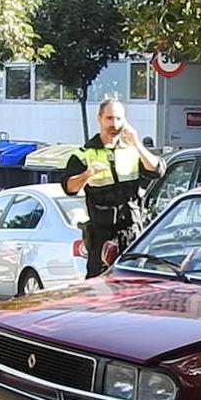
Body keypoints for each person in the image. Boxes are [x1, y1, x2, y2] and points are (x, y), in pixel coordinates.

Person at [62, 100, 165, 277]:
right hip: (101, 236)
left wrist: (137, 143)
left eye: (118, 118)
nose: (114, 124)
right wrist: (87, 174)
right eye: (109, 118)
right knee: (99, 290)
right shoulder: (84, 154)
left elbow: (157, 170)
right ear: (99, 119)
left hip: (132, 234)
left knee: (134, 288)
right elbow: (68, 187)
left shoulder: (132, 150)